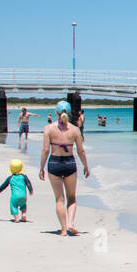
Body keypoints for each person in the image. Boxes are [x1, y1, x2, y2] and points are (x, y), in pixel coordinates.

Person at [40, 100, 89, 236]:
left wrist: (41, 168)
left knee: (59, 199)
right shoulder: (75, 130)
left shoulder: (48, 129)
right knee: (71, 198)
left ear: (56, 113)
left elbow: (45, 150)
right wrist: (86, 166)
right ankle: (71, 224)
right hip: (69, 164)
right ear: (69, 113)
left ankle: (63, 230)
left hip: (54, 164)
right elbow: (81, 151)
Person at [0, 158, 34, 222]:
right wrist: (31, 190)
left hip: (14, 196)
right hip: (23, 196)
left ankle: (16, 218)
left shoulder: (10, 178)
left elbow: (4, 185)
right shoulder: (24, 177)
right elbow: (28, 183)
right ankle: (24, 214)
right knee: (23, 205)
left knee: (13, 206)